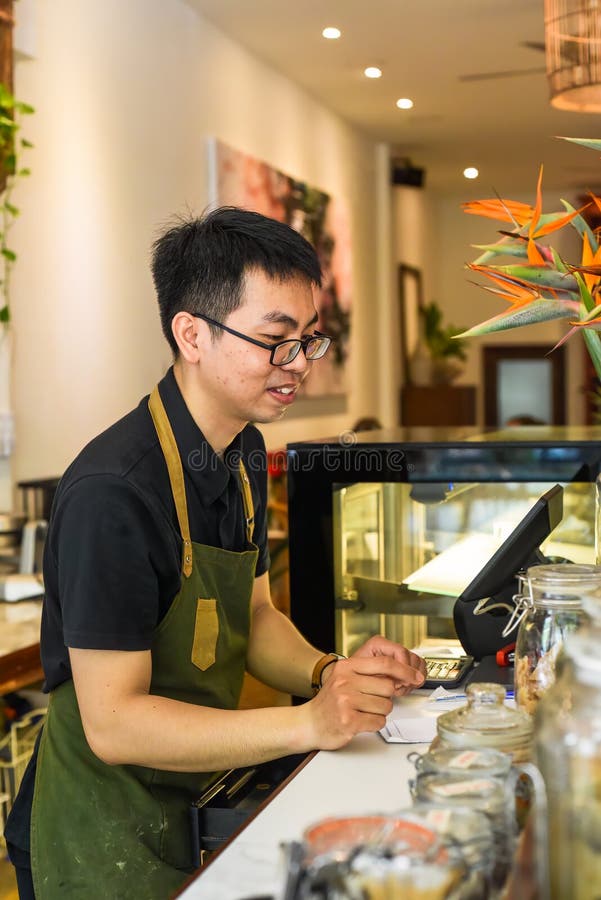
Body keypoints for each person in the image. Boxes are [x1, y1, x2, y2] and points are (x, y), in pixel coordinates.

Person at [4, 207, 426, 899]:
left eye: (307, 341)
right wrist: (304, 723)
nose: (298, 367)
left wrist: (331, 672)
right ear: (191, 334)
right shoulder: (115, 491)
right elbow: (114, 724)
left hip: (193, 799)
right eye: (274, 341)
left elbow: (254, 617)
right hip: (96, 828)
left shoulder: (244, 453)